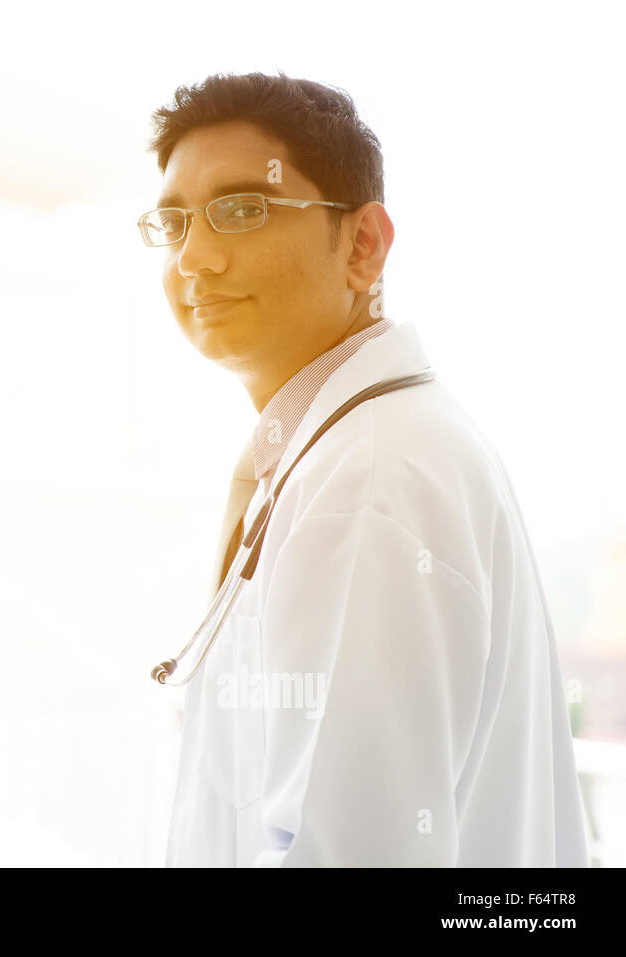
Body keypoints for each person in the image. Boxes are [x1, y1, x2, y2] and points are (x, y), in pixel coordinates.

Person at [141, 72, 587, 866]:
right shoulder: (341, 452)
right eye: (173, 222)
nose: (195, 256)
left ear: (363, 245)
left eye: (242, 209)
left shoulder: (370, 481)